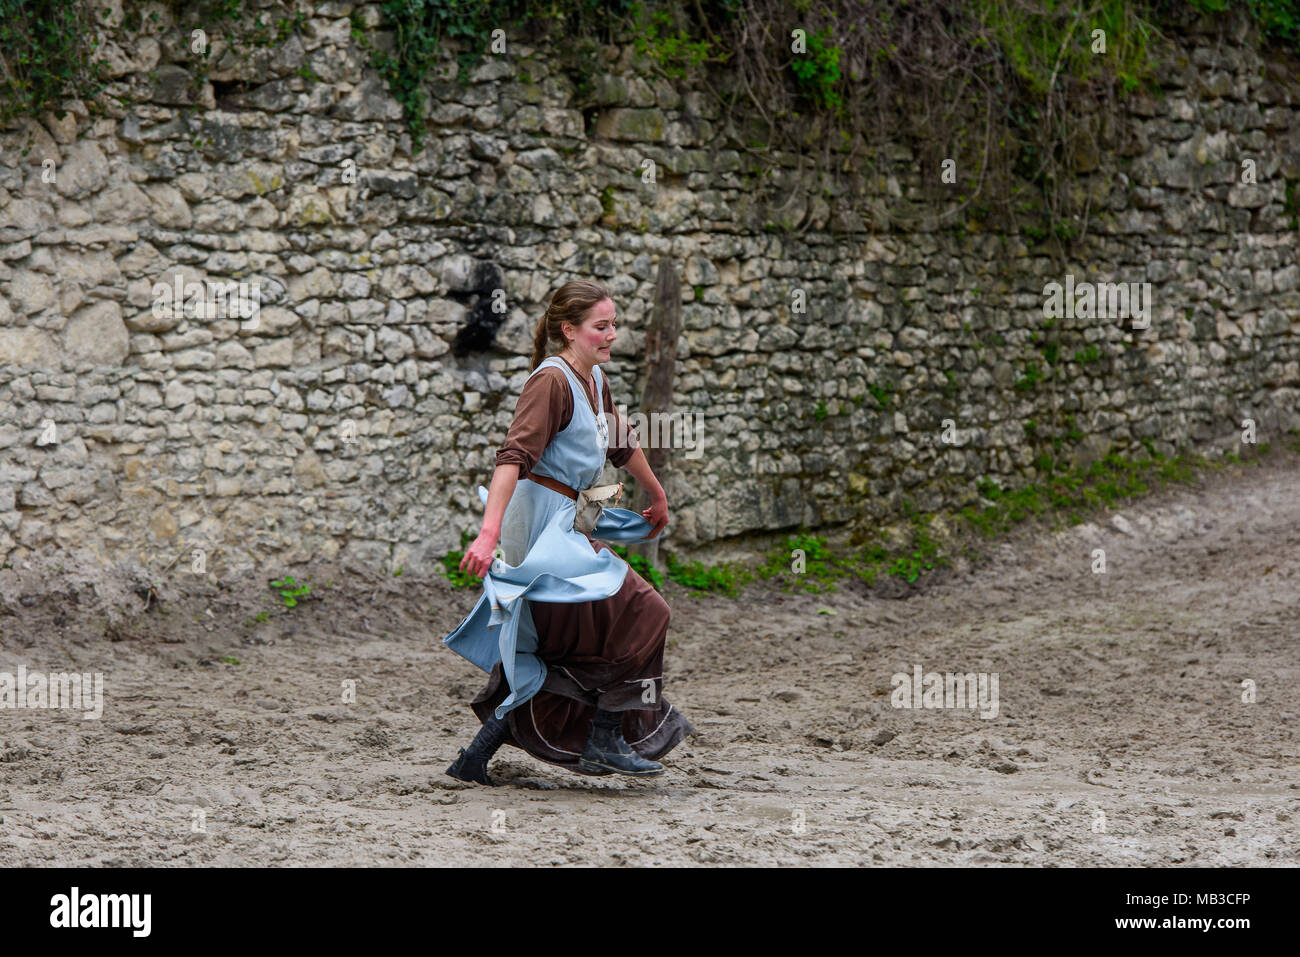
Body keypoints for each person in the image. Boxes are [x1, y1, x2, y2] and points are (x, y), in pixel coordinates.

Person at [441, 279, 695, 785]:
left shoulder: (593, 380)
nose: (612, 335)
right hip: (540, 535)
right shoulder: (551, 383)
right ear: (569, 330)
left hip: (567, 528)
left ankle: (477, 754)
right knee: (646, 612)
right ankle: (603, 738)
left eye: (614, 324)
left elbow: (621, 443)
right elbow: (512, 459)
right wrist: (488, 537)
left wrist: (657, 493)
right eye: (602, 326)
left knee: (570, 644)